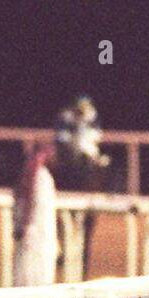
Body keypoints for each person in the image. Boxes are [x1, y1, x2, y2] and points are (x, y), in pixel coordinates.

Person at [53, 95, 112, 275]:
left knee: (101, 162)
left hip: (87, 156)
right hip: (68, 157)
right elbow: (61, 139)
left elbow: (96, 138)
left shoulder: (91, 115)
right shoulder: (65, 117)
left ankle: (103, 194)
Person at [12, 144, 58, 298]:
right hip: (36, 238)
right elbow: (28, 203)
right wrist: (24, 224)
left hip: (38, 236)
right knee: (33, 278)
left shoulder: (37, 175)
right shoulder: (36, 175)